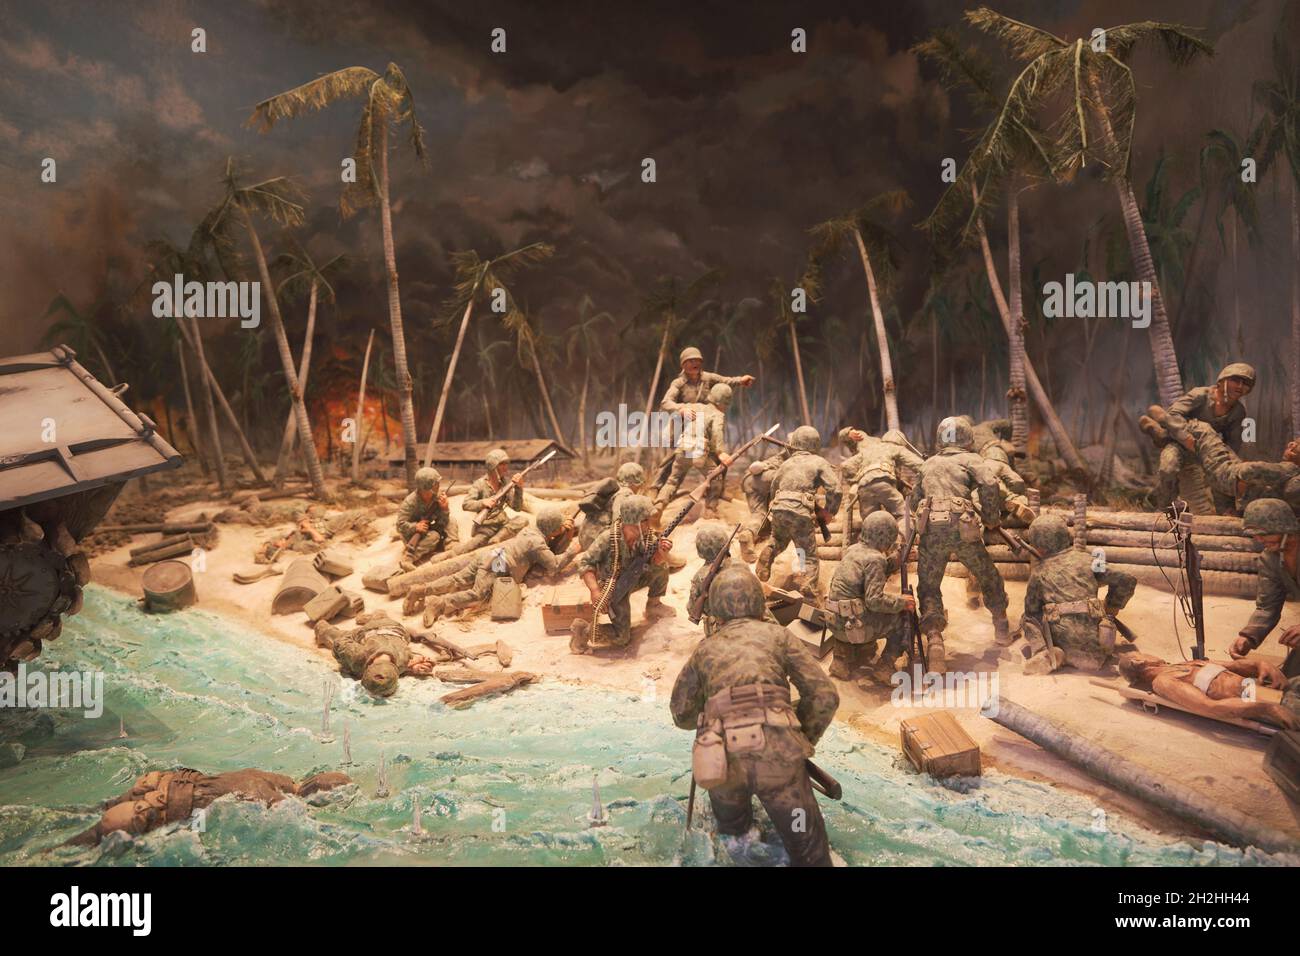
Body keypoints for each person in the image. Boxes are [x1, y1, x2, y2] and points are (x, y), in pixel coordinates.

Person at [670, 565, 839, 867]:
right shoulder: (779, 637)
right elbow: (825, 696)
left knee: (737, 844)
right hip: (780, 762)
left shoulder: (705, 650)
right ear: (759, 604)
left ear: (716, 609)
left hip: (723, 766)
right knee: (808, 848)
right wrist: (799, 738)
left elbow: (681, 715)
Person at [907, 416, 1009, 673]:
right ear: (967, 437)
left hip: (931, 529)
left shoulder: (928, 463)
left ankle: (934, 640)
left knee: (929, 585)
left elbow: (914, 500)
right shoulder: (972, 460)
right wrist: (991, 518)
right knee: (987, 574)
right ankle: (1001, 625)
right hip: (963, 527)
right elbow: (990, 484)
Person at [67, 768, 352, 846]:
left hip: (166, 783)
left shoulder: (269, 777)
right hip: (170, 806)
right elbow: (295, 821)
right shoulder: (273, 798)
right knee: (86, 844)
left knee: (83, 818)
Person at [406, 508, 577, 624]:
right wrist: (572, 550)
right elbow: (554, 565)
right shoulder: (537, 543)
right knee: (478, 595)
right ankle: (439, 604)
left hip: (492, 555)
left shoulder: (531, 530)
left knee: (457, 579)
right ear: (552, 528)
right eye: (559, 526)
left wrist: (563, 531)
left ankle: (420, 590)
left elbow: (548, 544)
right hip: (499, 563)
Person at [1018, 514, 1137, 673]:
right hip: (1097, 649)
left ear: (1038, 545)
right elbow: (1127, 579)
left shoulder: (1038, 573)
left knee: (1026, 618)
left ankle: (1044, 652)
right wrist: (1111, 609)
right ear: (1066, 536)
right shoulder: (1088, 561)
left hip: (1063, 644)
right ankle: (1090, 652)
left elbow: (1032, 613)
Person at [1140, 363, 1255, 512]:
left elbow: (1233, 443)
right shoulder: (1200, 395)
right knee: (1168, 468)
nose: (1240, 386)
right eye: (1235, 380)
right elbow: (1174, 414)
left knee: (1223, 474)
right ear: (1221, 381)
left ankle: (1227, 512)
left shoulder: (1238, 412)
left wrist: (1222, 460)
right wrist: (1185, 437)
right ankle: (1165, 509)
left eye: (1245, 383)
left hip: (1207, 449)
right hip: (1181, 442)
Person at [571, 495, 674, 653]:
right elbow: (585, 563)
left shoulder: (645, 537)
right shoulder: (608, 539)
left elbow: (656, 562)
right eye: (645, 520)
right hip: (614, 588)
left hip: (635, 577)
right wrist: (595, 591)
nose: (649, 523)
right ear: (634, 522)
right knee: (622, 638)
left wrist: (661, 552)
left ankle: (653, 605)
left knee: (662, 568)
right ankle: (584, 631)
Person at [754, 425, 841, 603]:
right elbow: (836, 490)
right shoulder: (819, 461)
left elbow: (773, 487)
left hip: (779, 507)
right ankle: (808, 591)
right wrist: (829, 512)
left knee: (778, 541)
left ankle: (768, 554)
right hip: (800, 511)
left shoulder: (786, 463)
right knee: (809, 554)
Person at [827, 511, 914, 684]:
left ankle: (841, 661)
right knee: (902, 619)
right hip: (855, 628)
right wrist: (902, 603)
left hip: (835, 623)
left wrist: (895, 560)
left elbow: (869, 574)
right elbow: (874, 601)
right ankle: (885, 667)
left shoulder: (853, 550)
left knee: (850, 609)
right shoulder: (875, 559)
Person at [1118, 652, 1298, 729]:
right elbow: (1209, 706)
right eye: (1145, 654)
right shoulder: (1164, 681)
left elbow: (1234, 665)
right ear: (1138, 662)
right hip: (1270, 702)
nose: (1152, 654)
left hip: (1274, 688)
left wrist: (1261, 664)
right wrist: (1266, 708)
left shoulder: (1186, 663)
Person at [1229, 499, 1300, 688]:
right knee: (1287, 684)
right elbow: (1267, 606)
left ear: (1287, 528)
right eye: (1255, 535)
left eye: (1264, 534)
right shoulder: (1271, 559)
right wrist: (1248, 636)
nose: (1259, 540)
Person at [654, 382, 733, 520]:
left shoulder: (694, 407)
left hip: (682, 450)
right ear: (724, 403)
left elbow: (667, 406)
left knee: (672, 481)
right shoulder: (718, 414)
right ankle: (710, 510)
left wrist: (680, 411)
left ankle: (659, 505)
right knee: (716, 478)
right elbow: (716, 433)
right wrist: (720, 452)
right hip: (698, 453)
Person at [314, 611, 436, 698]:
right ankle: (376, 615)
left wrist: (356, 638)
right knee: (327, 632)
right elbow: (339, 644)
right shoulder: (361, 656)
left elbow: (339, 643)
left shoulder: (402, 662)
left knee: (331, 635)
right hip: (389, 627)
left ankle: (376, 616)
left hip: (395, 629)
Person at [841, 429, 924, 521]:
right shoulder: (896, 448)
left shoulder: (870, 448)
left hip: (864, 488)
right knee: (904, 517)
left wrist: (855, 482)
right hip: (884, 484)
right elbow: (920, 465)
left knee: (870, 522)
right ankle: (903, 535)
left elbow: (845, 465)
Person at [659, 346, 754, 420]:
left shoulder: (708, 378)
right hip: (684, 423)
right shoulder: (678, 383)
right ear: (683, 364)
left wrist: (741, 380)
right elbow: (665, 403)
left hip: (704, 421)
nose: (695, 364)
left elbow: (725, 380)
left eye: (698, 361)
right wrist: (681, 410)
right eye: (691, 361)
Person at [461, 449, 529, 552]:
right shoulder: (479, 484)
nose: (505, 468)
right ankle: (449, 555)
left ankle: (498, 538)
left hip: (503, 525)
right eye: (502, 464)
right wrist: (483, 502)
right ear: (492, 466)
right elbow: (466, 504)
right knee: (470, 546)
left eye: (506, 464)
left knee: (522, 520)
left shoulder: (505, 483)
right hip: (486, 527)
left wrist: (519, 488)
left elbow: (517, 508)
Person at [396, 467, 457, 569]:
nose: (439, 485)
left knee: (452, 521)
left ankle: (452, 545)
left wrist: (444, 509)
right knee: (434, 536)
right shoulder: (410, 502)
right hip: (412, 536)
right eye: (436, 484)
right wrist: (416, 527)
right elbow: (400, 525)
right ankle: (409, 557)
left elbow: (442, 521)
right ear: (428, 486)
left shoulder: (436, 497)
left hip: (428, 528)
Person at [577, 462, 646, 550]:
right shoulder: (625, 493)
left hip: (585, 536)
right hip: (598, 542)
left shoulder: (613, 489)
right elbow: (618, 521)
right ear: (637, 481)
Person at [738, 448, 786, 562]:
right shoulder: (797, 460)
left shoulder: (778, 457)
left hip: (749, 479)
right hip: (770, 479)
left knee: (758, 513)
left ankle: (748, 533)